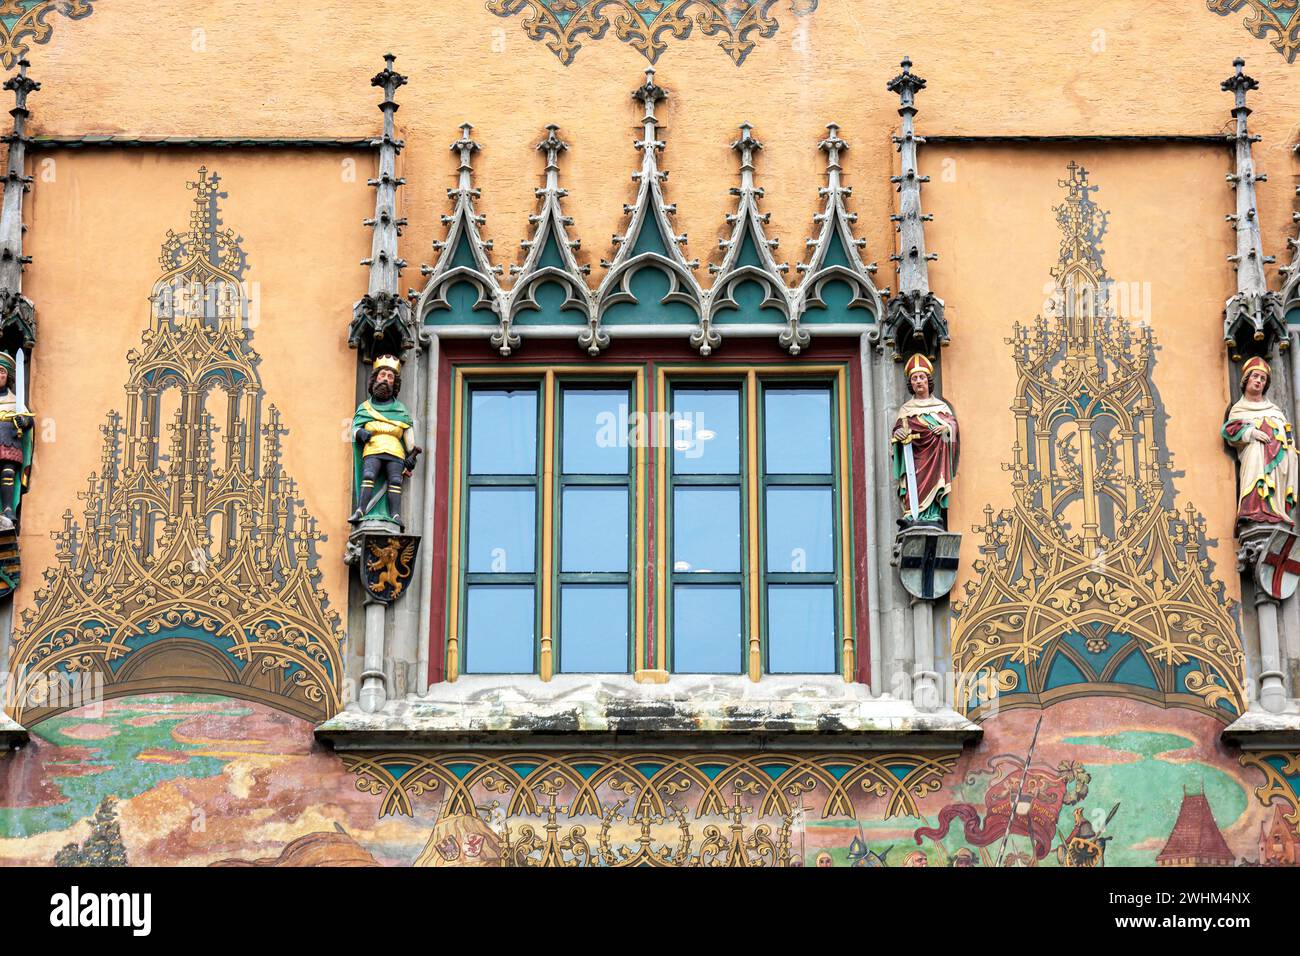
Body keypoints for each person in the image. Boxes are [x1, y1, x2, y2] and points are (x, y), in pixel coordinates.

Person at [1223, 356, 1297, 530]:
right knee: (1255, 464)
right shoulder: (1239, 409)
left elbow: (1286, 434)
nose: (1259, 381)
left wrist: (1289, 447)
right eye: (1255, 376)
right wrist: (1252, 432)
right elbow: (1230, 430)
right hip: (1255, 456)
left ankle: (1278, 511)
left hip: (1279, 464)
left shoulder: (1274, 410)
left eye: (1263, 379)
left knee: (1286, 463)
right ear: (1246, 379)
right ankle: (1253, 512)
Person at [350, 355, 418, 529]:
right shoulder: (365, 408)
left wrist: (412, 455)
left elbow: (409, 438)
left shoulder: (401, 410)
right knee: (368, 476)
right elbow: (354, 428)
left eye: (390, 377)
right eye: (382, 375)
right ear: (375, 378)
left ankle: (395, 514)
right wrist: (361, 433)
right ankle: (361, 509)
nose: (385, 380)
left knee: (395, 481)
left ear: (394, 383)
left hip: (395, 451)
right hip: (373, 447)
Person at [892, 353, 958, 528]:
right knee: (913, 480)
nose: (918, 381)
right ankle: (911, 513)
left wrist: (946, 429)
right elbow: (899, 429)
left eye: (921, 377)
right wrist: (898, 434)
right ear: (910, 384)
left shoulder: (941, 407)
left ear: (928, 380)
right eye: (914, 378)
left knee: (934, 482)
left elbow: (952, 426)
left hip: (935, 456)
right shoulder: (906, 409)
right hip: (914, 457)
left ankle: (932, 515)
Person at [0, 351, 34, 531]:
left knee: (7, 473)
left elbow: (28, 420)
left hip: (8, 442)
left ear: (8, 376)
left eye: (1, 371)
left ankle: (7, 509)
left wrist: (24, 421)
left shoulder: (15, 401)